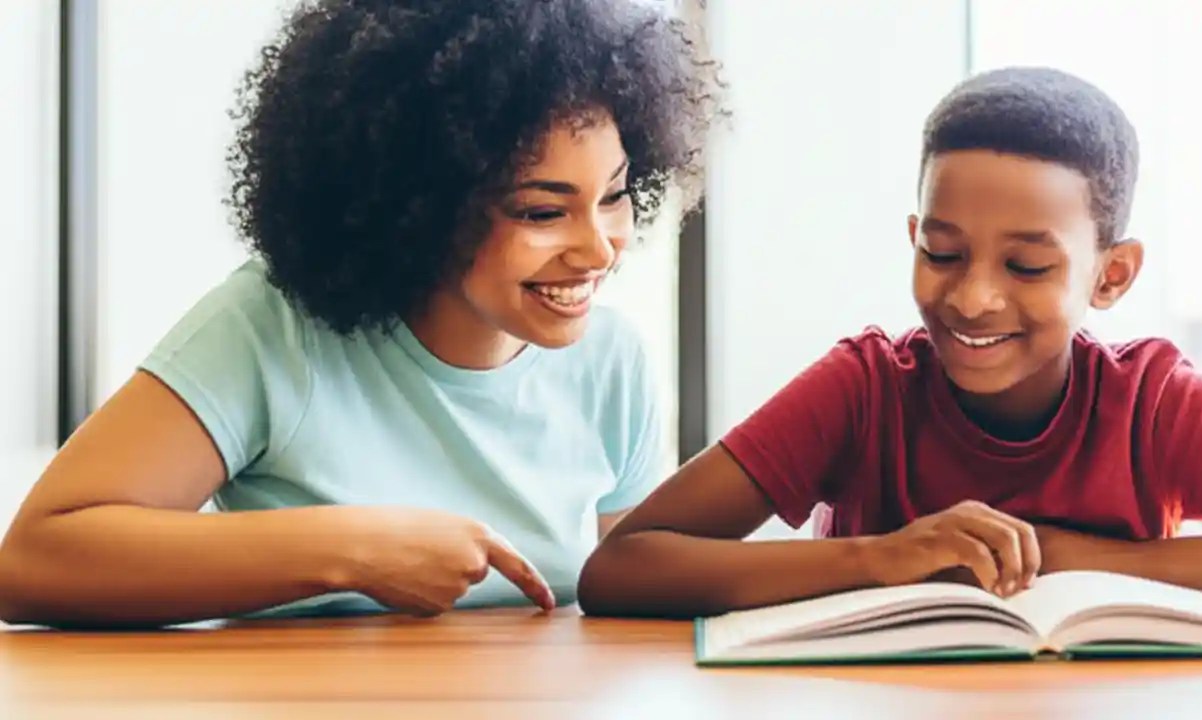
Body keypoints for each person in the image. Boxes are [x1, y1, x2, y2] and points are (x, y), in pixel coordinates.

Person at [0, 0, 721, 628]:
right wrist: (353, 551)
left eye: (614, 196)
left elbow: (629, 597)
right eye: (541, 210)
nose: (599, 248)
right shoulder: (274, 329)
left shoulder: (610, 361)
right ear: (425, 205)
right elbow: (35, 560)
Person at [579, 67, 1202, 619]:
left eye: (1027, 267)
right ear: (915, 238)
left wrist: (1078, 559)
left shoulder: (1153, 405)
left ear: (1112, 274)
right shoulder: (866, 388)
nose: (973, 298)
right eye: (943, 254)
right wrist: (882, 558)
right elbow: (620, 567)